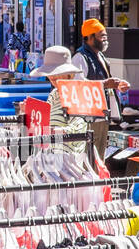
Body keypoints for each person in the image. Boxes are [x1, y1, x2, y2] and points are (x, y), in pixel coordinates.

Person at [72, 18, 129, 155]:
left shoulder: (100, 56)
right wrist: (105, 84)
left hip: (102, 115)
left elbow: (103, 82)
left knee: (99, 156)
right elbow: (77, 86)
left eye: (105, 36)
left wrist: (117, 85)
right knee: (90, 156)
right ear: (90, 37)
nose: (105, 39)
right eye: (101, 36)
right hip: (90, 117)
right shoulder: (80, 58)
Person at [29, 45, 88, 154]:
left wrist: (56, 131)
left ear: (70, 75)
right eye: (50, 74)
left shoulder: (78, 95)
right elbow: (45, 120)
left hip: (69, 160)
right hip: (50, 157)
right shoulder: (54, 94)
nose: (52, 78)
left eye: (56, 74)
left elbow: (80, 126)